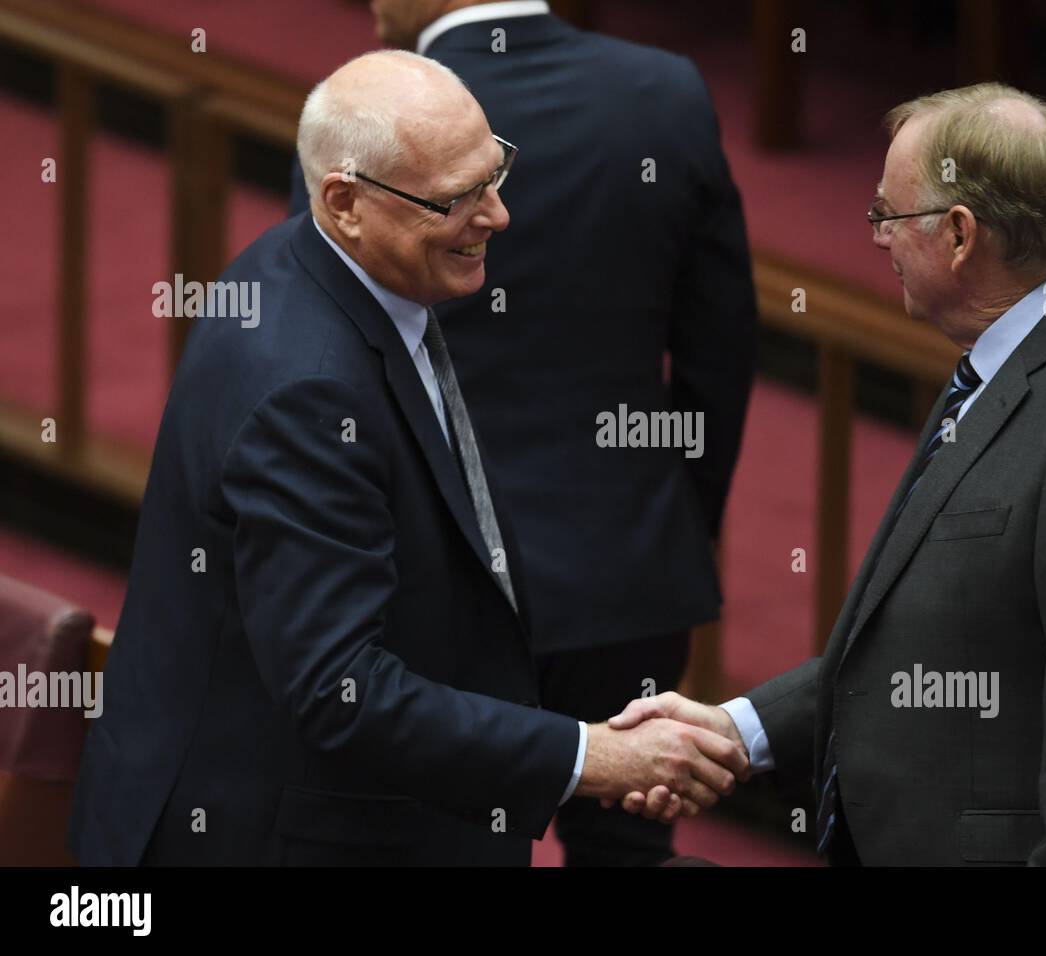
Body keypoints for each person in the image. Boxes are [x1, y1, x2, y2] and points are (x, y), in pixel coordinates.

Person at [66, 50, 745, 867]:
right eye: (457, 199)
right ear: (345, 202)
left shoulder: (321, 264)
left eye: (497, 175)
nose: (498, 216)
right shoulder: (309, 392)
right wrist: (591, 757)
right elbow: (339, 691)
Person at [610, 83, 1046, 866]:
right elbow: (948, 639)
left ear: (959, 236)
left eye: (888, 214)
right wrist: (739, 730)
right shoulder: (1024, 349)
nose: (878, 238)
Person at [289, 0, 756, 866]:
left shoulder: (369, 123)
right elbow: (720, 346)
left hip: (432, 585)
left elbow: (327, 356)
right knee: (625, 852)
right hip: (627, 566)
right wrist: (681, 522)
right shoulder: (665, 91)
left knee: (434, 849)